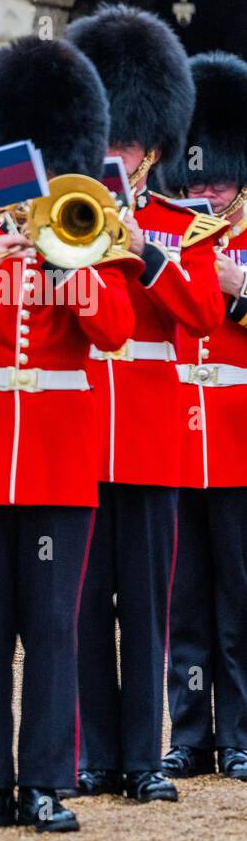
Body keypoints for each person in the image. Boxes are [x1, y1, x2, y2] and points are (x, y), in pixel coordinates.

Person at [0, 37, 139, 834]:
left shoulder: (88, 233)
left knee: (51, 628)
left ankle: (46, 781)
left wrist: (74, 269)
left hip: (56, 465)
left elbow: (113, 332)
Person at [65, 5, 227, 804]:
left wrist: (145, 248)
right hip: (82, 438)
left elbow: (202, 315)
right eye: (105, 140)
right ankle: (97, 756)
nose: (113, 156)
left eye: (127, 145)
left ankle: (148, 757)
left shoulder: (180, 227)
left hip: (155, 442)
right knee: (89, 610)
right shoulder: (64, 222)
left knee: (153, 614)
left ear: (154, 149)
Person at [163, 50, 247, 784]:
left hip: (240, 442)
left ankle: (243, 735)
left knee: (240, 602)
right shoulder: (170, 237)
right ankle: (189, 735)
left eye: (219, 177)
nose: (208, 190)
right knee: (182, 603)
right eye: (198, 178)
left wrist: (240, 288)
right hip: (176, 444)